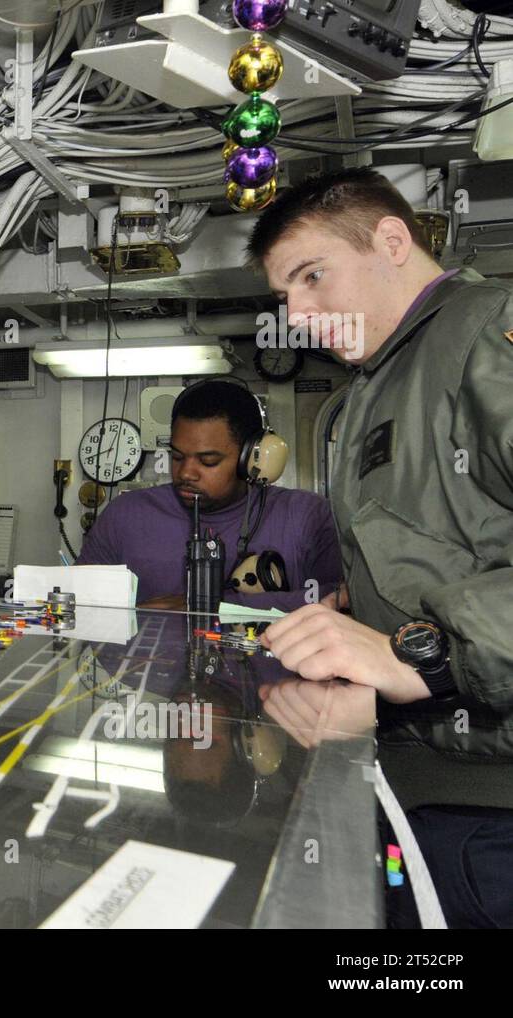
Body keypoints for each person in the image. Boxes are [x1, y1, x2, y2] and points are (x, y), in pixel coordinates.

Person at [251, 166, 513, 927]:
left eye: (312, 276)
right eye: (284, 297)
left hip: (490, 819)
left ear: (392, 241)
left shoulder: (485, 332)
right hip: (429, 793)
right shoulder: (375, 385)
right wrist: (363, 611)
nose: (298, 314)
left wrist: (420, 657)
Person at [78, 378, 341, 612]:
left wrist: (213, 607)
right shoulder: (126, 515)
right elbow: (81, 605)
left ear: (249, 458)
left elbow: (341, 600)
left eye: (209, 461)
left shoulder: (306, 517)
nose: (186, 473)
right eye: (177, 456)